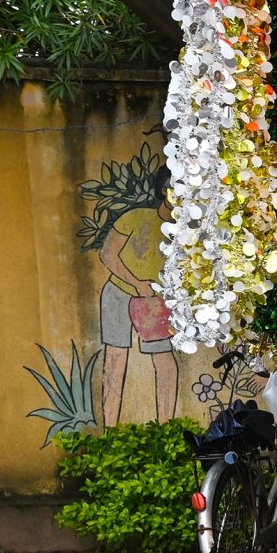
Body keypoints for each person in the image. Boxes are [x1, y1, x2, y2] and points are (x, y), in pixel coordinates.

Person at [97, 168, 177, 425]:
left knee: (165, 363)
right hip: (118, 294)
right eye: (175, 187)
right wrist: (136, 283)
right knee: (115, 361)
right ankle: (111, 432)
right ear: (164, 190)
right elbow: (107, 254)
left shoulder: (184, 231)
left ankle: (167, 431)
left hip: (153, 302)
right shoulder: (136, 217)